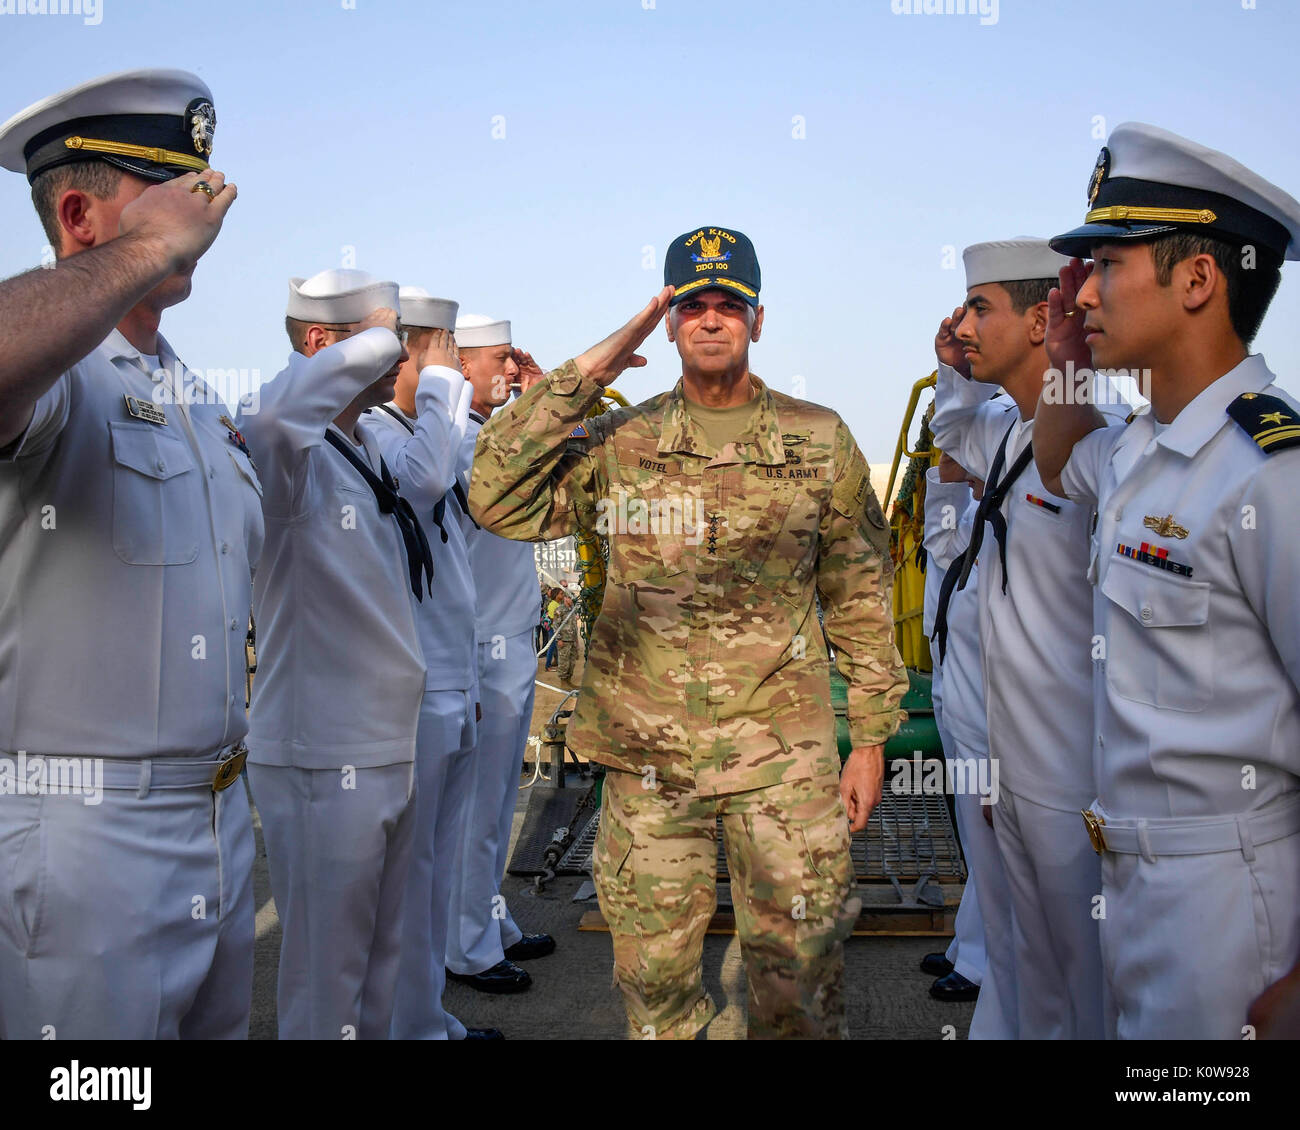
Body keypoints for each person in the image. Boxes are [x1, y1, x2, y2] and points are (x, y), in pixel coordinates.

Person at [469, 226, 906, 1039]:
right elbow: (493, 494)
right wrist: (593, 368)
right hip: (648, 768)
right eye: (691, 305)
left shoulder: (819, 441)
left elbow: (857, 595)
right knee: (657, 992)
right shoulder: (617, 442)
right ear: (667, 323)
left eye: (729, 305)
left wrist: (872, 739)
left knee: (799, 989)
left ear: (758, 319)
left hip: (785, 766)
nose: (712, 319)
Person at [0, 68, 259, 1039]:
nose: (210, 200)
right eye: (175, 187)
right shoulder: (61, 379)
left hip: (218, 817)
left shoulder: (195, 394)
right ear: (80, 213)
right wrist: (149, 250)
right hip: (88, 838)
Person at [1033, 123, 1300, 1040]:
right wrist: (1067, 357)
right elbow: (1060, 463)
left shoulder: (1271, 472)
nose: (1086, 291)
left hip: (1230, 898)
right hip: (1131, 880)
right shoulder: (1141, 447)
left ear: (1198, 280)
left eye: (1109, 263)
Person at [928, 237, 1134, 1040]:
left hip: (1080, 777)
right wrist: (950, 364)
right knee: (1019, 964)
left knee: (1084, 989)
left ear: (1042, 318)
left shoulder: (1101, 440)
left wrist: (1066, 361)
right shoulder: (1010, 435)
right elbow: (952, 424)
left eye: (982, 308)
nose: (966, 323)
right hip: (1016, 768)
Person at [239, 269, 431, 1040]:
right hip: (323, 752)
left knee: (377, 971)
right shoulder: (292, 450)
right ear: (320, 345)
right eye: (379, 339)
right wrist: (382, 332)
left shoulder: (357, 447)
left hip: (385, 740)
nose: (397, 355)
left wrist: (375, 333)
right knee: (328, 985)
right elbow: (279, 414)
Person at [362, 286, 501, 1040]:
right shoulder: (377, 432)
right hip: (413, 692)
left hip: (454, 679)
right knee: (410, 879)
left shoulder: (433, 429)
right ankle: (406, 1027)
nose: (454, 366)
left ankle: (427, 1019)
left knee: (435, 870)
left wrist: (472, 681)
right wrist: (443, 381)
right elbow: (423, 485)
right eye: (442, 349)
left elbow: (469, 519)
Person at [445, 313, 555, 995]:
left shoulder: (489, 432)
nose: (512, 372)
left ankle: (489, 919)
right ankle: (469, 945)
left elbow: (564, 457)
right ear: (459, 366)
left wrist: (545, 405)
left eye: (514, 361)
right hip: (479, 642)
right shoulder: (457, 438)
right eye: (501, 359)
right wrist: (545, 407)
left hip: (511, 636)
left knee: (497, 800)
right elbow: (526, 471)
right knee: (478, 807)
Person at [921, 453, 1018, 1037]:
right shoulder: (975, 509)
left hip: (995, 712)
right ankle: (970, 946)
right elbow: (942, 540)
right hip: (959, 696)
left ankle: (984, 963)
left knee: (997, 850)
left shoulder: (1018, 509)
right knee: (976, 840)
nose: (943, 452)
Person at [555, 590, 578, 683]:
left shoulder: (572, 609)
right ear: (566, 598)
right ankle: (563, 682)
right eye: (570, 598)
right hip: (564, 640)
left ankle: (569, 680)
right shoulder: (560, 610)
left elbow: (574, 626)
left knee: (572, 662)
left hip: (572, 640)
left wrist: (576, 640)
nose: (571, 600)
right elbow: (556, 625)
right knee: (564, 662)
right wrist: (559, 639)